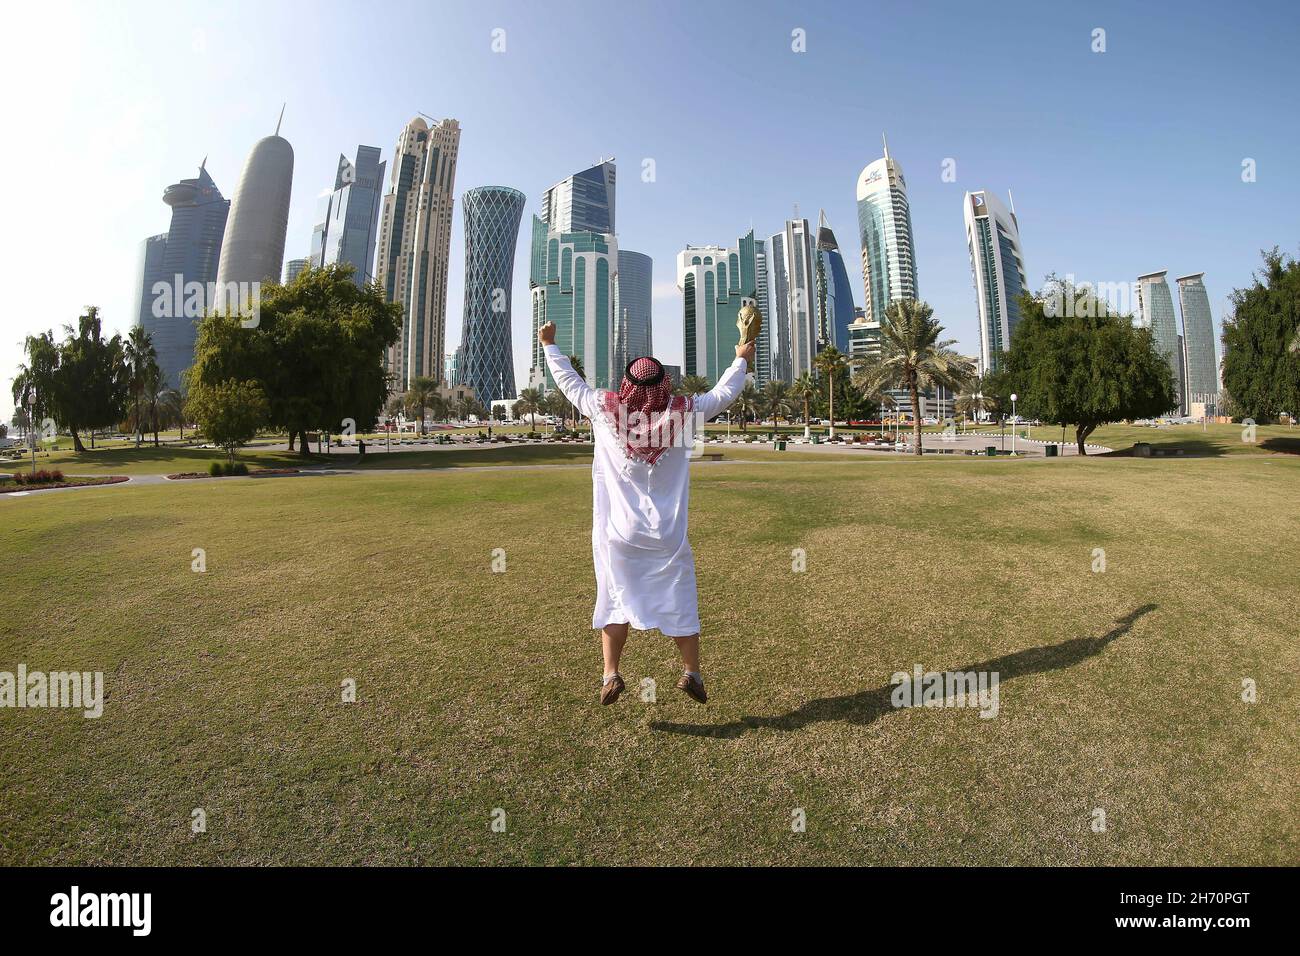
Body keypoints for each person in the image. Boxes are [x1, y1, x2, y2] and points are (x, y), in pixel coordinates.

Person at [539, 320, 754, 705]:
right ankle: (691, 672)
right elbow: (724, 394)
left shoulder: (604, 412)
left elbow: (570, 384)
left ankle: (611, 674)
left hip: (620, 535)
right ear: (664, 384)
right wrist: (740, 359)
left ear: (626, 385)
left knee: (616, 599)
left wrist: (549, 345)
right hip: (668, 536)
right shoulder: (686, 414)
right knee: (680, 601)